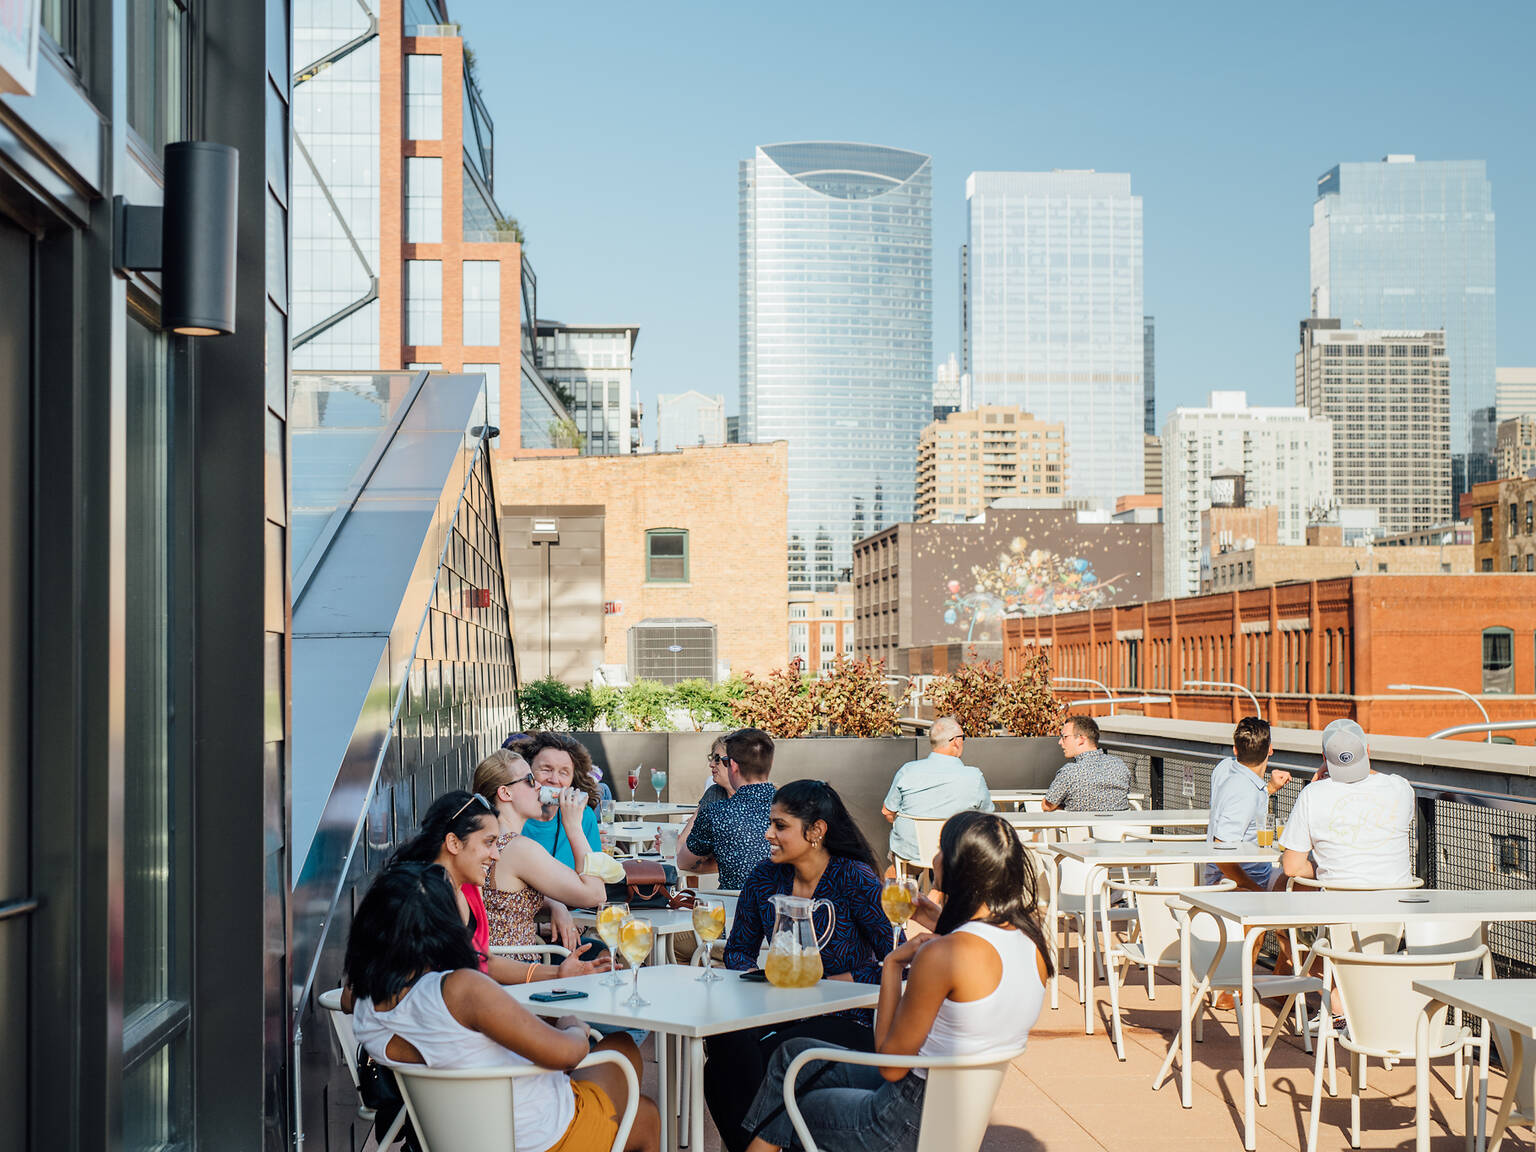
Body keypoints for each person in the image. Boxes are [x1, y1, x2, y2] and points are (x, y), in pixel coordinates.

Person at [737, 811, 1052, 1152]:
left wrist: (891, 965)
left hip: (902, 1120)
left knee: (791, 1106)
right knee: (793, 1054)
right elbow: (974, 970)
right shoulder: (1031, 942)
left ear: (961, 865)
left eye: (941, 849)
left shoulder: (944, 955)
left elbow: (889, 1064)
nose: (934, 858)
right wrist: (941, 921)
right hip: (954, 1113)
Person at [345, 862, 660, 1152]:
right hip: (536, 1136)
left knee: (619, 1048)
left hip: (457, 1136)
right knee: (640, 1098)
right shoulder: (460, 989)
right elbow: (568, 1054)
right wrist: (572, 1026)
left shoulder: (362, 999)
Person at [704, 779, 893, 1152]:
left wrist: (840, 982)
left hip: (846, 1018)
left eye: (779, 826)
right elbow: (738, 950)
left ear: (816, 831)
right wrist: (758, 979)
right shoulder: (763, 878)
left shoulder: (853, 877)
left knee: (777, 1054)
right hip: (778, 1012)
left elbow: (897, 959)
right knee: (725, 1048)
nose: (768, 833)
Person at [391, 790, 609, 985]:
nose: (496, 855)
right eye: (489, 842)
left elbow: (485, 963)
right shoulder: (423, 896)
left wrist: (560, 973)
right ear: (454, 843)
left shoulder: (468, 887)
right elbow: (452, 986)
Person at [472, 750, 611, 958]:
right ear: (505, 793)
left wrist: (554, 904)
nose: (539, 785)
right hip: (520, 973)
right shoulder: (518, 848)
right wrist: (573, 826)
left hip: (502, 966)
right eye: (529, 780)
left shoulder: (490, 840)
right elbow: (596, 895)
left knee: (599, 953)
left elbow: (506, 897)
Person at [1280, 718, 1415, 887]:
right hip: (1399, 905)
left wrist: (1325, 870)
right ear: (1367, 750)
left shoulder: (1312, 794)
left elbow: (1292, 867)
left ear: (1324, 757)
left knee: (1280, 884)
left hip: (1337, 907)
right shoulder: (1401, 787)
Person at [881, 715, 993, 865]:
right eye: (963, 737)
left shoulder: (907, 771)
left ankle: (893, 886)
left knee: (896, 861)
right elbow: (988, 817)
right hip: (955, 854)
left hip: (911, 854)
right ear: (956, 741)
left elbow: (887, 812)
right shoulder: (974, 777)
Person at [677, 727, 776, 890]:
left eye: (720, 760)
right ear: (770, 762)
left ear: (733, 766)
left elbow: (683, 862)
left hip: (734, 911)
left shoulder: (716, 813)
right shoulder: (794, 808)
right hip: (784, 909)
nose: (712, 764)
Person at [1204, 716, 1292, 890]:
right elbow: (1221, 850)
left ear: (1235, 750)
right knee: (1305, 881)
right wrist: (1255, 890)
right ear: (1270, 750)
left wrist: (1269, 788)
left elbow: (1243, 797)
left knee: (1294, 877)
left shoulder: (1224, 768)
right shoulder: (1245, 792)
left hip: (1248, 875)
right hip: (1236, 883)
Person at [513, 733, 604, 870]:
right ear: (528, 772)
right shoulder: (512, 816)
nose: (554, 780)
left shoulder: (584, 816)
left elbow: (596, 879)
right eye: (546, 770)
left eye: (564, 772)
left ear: (573, 780)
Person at [665, 733, 735, 873]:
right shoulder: (714, 793)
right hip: (711, 882)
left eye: (717, 759)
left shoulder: (762, 800)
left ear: (733, 763)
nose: (711, 764)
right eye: (711, 758)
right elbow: (684, 842)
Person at [1041, 714, 1133, 811]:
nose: (1060, 742)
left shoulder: (1069, 772)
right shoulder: (1119, 765)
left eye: (1065, 737)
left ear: (1081, 739)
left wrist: (1065, 807)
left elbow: (1047, 806)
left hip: (1080, 825)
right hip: (1118, 825)